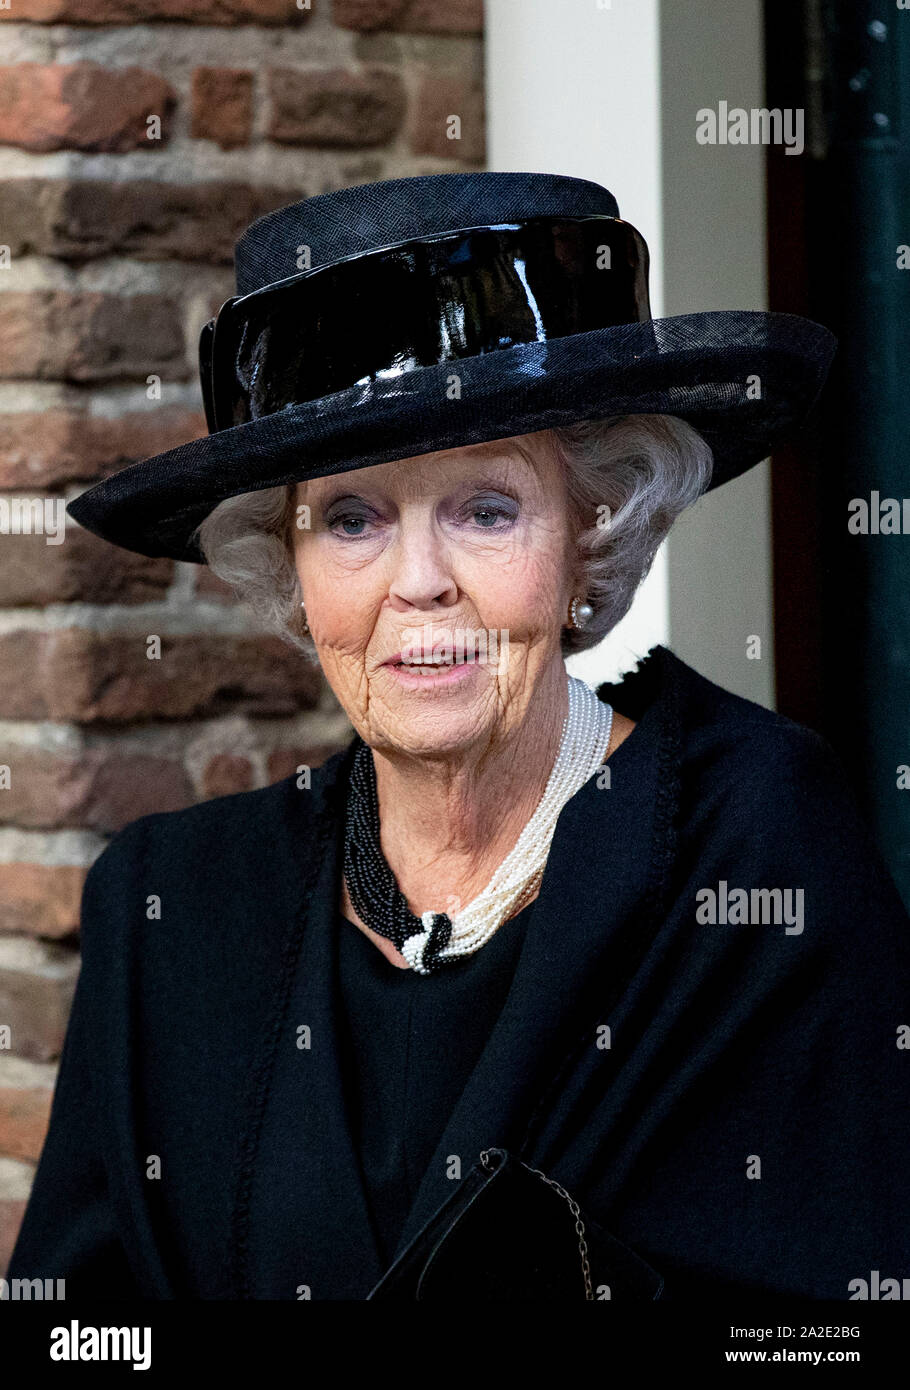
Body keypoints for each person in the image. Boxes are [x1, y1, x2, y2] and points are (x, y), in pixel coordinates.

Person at [7, 171, 909, 1301]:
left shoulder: (751, 843)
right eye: (350, 518)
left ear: (592, 529)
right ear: (289, 569)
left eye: (486, 509)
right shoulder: (171, 905)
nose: (417, 583)